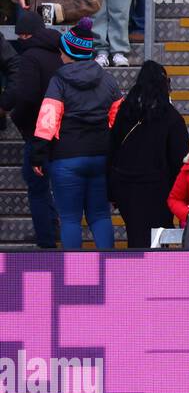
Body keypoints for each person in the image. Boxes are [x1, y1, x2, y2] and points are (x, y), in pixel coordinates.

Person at [29, 18, 122, 250]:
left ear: (68, 52)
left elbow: (48, 120)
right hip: (100, 156)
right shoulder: (108, 80)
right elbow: (118, 120)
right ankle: (107, 266)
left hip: (66, 158)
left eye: (62, 51)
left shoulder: (59, 81)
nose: (59, 55)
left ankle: (72, 272)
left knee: (70, 218)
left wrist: (38, 154)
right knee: (100, 215)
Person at [107, 60, 188, 247]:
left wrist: (110, 190)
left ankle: (136, 272)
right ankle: (155, 274)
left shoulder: (125, 112)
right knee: (159, 237)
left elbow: (112, 149)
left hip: (125, 186)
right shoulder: (171, 117)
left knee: (135, 235)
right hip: (158, 189)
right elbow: (179, 160)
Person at [0, 8, 62, 246]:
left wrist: (16, 118)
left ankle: (46, 240)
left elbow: (25, 97)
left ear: (25, 36)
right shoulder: (59, 52)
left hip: (38, 133)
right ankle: (54, 226)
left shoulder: (30, 58)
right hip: (62, 132)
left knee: (35, 184)